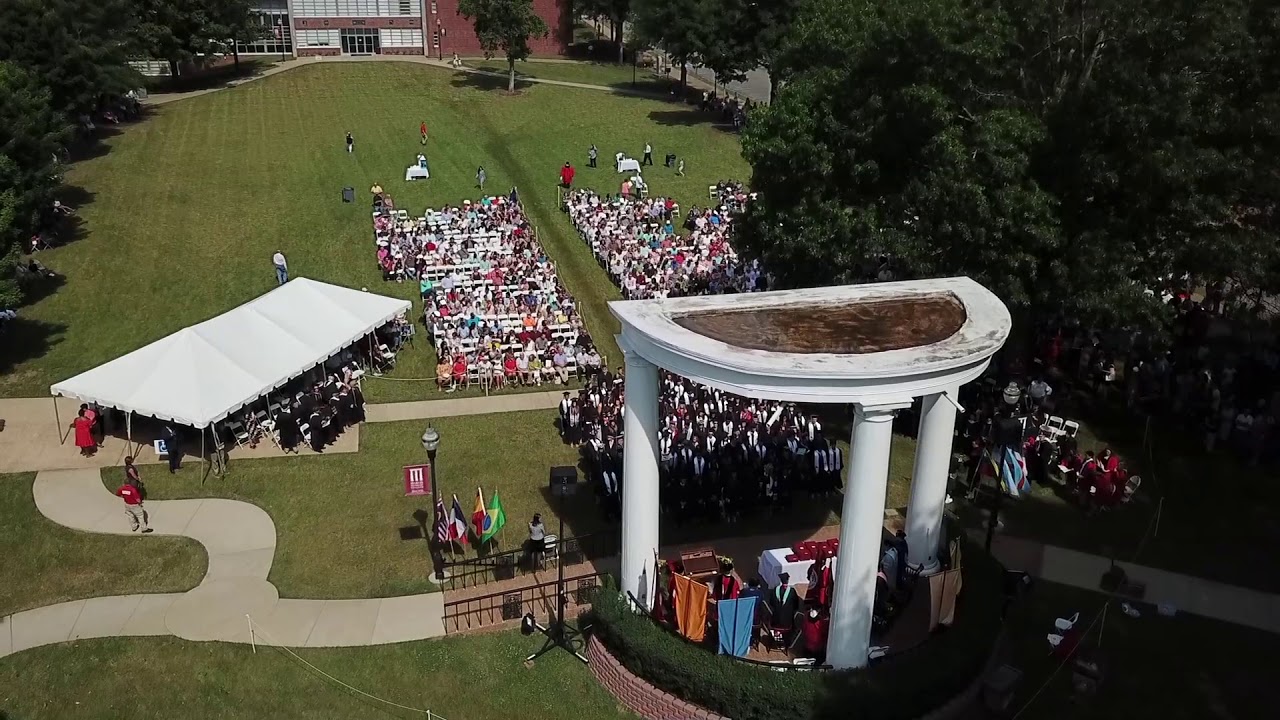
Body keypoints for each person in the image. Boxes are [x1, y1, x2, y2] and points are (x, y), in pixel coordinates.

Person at [116, 464, 152, 533]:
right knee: (140, 516)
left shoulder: (122, 489)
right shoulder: (133, 490)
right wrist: (140, 503)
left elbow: (118, 494)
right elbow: (137, 499)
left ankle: (134, 527)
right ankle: (144, 528)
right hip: (134, 505)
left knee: (130, 516)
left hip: (127, 504)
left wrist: (124, 496)